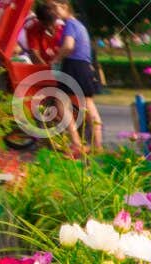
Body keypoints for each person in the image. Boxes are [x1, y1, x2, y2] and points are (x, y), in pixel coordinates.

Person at [49, 0, 101, 151]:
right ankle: (98, 145)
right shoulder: (79, 25)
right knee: (88, 105)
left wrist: (57, 58)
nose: (52, 11)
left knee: (60, 102)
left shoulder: (70, 25)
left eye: (54, 7)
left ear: (64, 6)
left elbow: (68, 46)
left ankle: (76, 143)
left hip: (73, 65)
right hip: (84, 66)